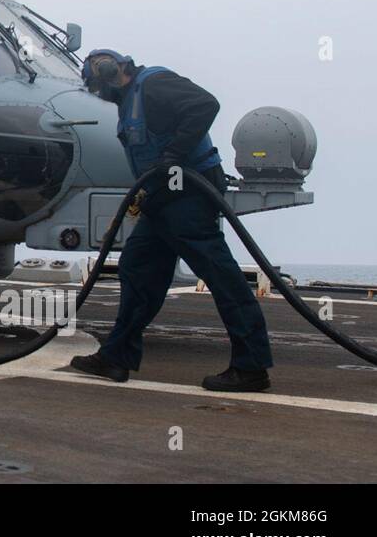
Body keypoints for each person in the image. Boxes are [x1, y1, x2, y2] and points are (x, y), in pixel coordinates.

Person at [71, 49, 273, 392]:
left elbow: (205, 105)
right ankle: (116, 357)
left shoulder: (155, 84)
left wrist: (174, 155)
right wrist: (132, 208)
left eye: (97, 88)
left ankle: (251, 367)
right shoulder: (129, 102)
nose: (99, 96)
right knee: (137, 269)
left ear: (107, 72)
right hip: (162, 197)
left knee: (220, 275)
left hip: (188, 195)